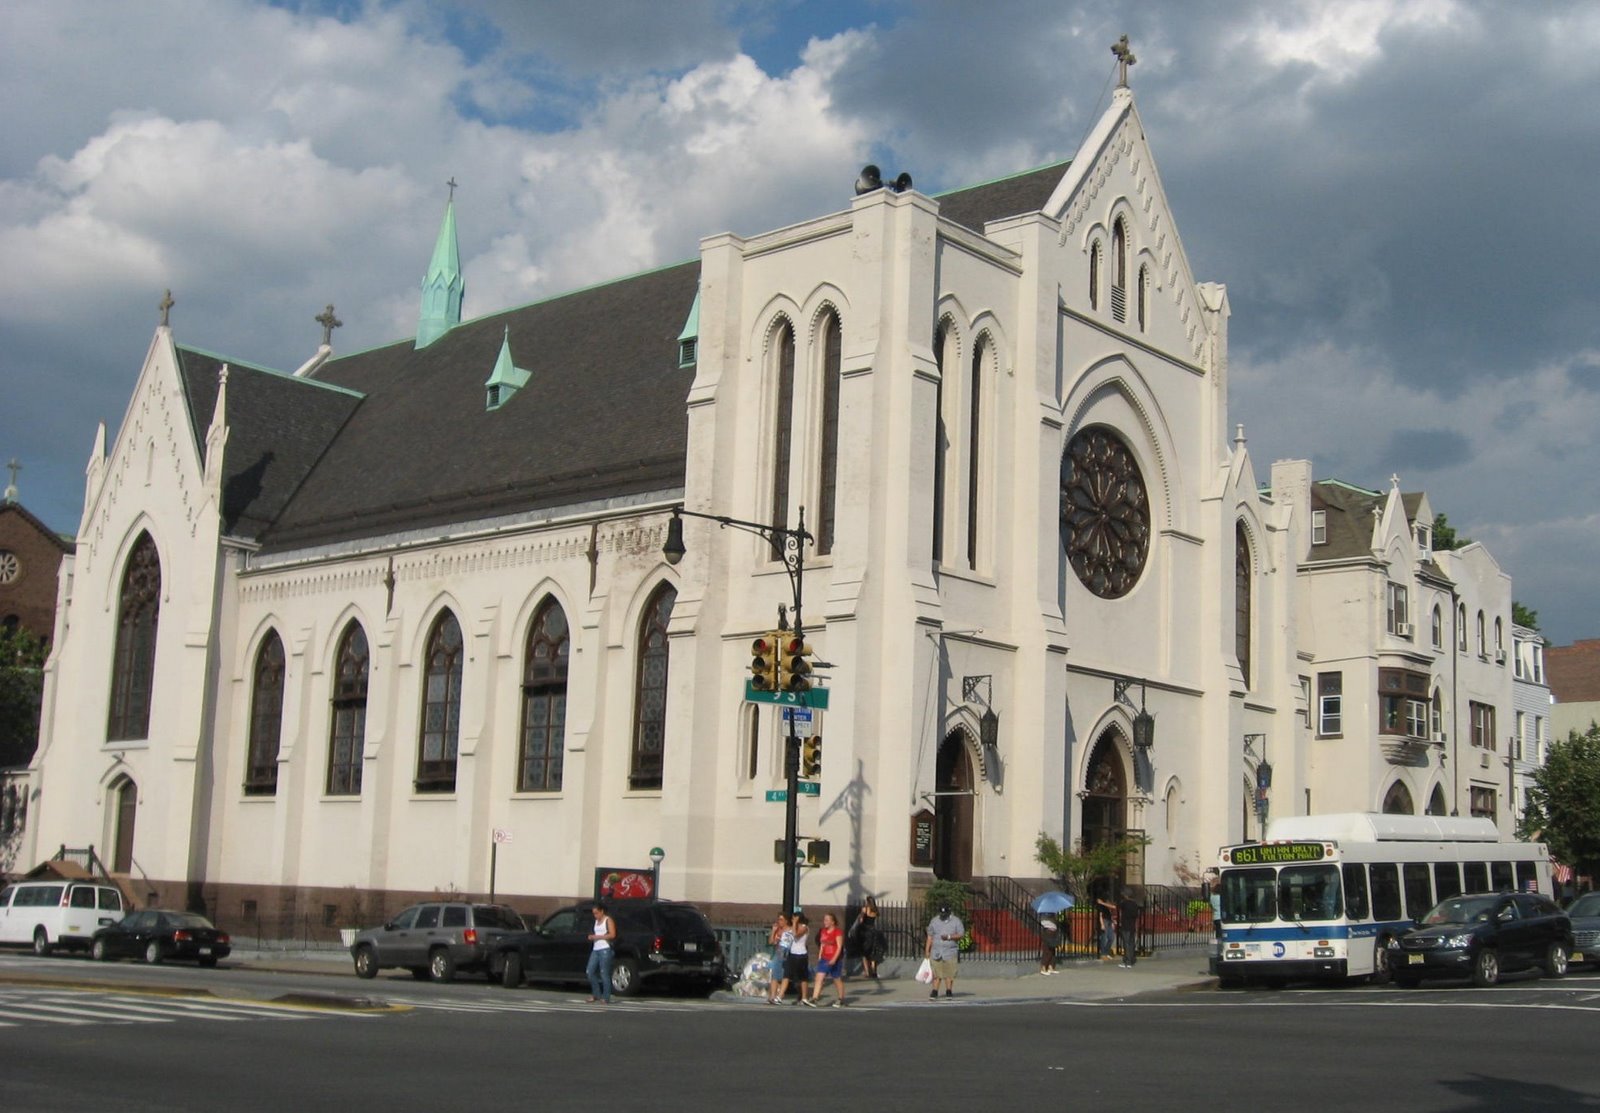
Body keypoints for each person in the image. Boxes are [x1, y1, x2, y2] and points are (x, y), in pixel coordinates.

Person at [806, 911, 847, 1007]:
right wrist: (820, 956)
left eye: (827, 920)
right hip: (824, 958)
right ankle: (815, 998)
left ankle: (841, 998)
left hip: (834, 958)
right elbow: (822, 945)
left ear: (833, 922)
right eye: (825, 920)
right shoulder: (823, 931)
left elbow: (839, 947)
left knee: (836, 978)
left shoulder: (837, 932)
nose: (825, 922)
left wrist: (834, 959)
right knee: (819, 977)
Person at [925, 903, 964, 999]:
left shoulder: (956, 921)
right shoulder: (934, 921)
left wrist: (949, 937)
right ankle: (935, 991)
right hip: (936, 951)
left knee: (949, 973)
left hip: (950, 952)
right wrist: (927, 950)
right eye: (941, 914)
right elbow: (930, 936)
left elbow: (961, 934)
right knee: (936, 972)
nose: (943, 916)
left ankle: (949, 991)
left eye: (945, 914)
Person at [776, 912, 810, 1004]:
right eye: (792, 919)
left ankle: (804, 997)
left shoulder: (804, 927)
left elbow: (796, 935)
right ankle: (780, 996)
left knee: (802, 977)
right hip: (792, 954)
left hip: (801, 955)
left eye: (794, 918)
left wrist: (795, 924)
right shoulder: (792, 928)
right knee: (787, 974)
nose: (792, 920)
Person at [585, 901, 616, 1004]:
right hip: (596, 949)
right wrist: (592, 937)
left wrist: (597, 936)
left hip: (605, 949)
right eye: (594, 913)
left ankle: (606, 997)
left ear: (602, 911)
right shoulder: (595, 921)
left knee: (604, 973)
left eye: (597, 913)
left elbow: (612, 935)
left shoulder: (608, 920)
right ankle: (596, 994)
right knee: (590, 971)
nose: (595, 915)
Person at [850, 896, 883, 981]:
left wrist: (862, 913)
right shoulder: (875, 910)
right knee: (872, 952)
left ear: (867, 902)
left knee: (864, 952)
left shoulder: (866, 909)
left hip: (865, 932)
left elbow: (861, 920)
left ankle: (867, 971)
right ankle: (873, 970)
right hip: (873, 931)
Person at [766, 913, 792, 1004]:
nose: (779, 922)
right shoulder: (778, 930)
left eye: (781, 919)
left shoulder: (790, 931)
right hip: (778, 953)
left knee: (785, 975)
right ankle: (773, 995)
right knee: (775, 974)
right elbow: (770, 942)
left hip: (787, 953)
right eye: (778, 919)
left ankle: (781, 994)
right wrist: (773, 931)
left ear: (786, 921)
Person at [1117, 887, 1142, 969]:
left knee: (1126, 944)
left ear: (1125, 895)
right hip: (1132, 927)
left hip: (1125, 926)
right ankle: (1131, 960)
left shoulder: (1125, 903)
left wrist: (1103, 903)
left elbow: (1116, 907)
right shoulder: (1135, 904)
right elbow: (1136, 916)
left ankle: (1127, 962)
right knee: (1131, 944)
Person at [1095, 895, 1117, 961]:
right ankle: (1103, 954)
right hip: (1105, 921)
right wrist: (1102, 924)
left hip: (1109, 922)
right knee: (1104, 938)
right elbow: (1100, 915)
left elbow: (1110, 915)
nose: (1109, 902)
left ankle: (1106, 952)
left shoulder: (1106, 906)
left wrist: (1112, 921)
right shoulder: (1101, 906)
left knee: (1111, 937)